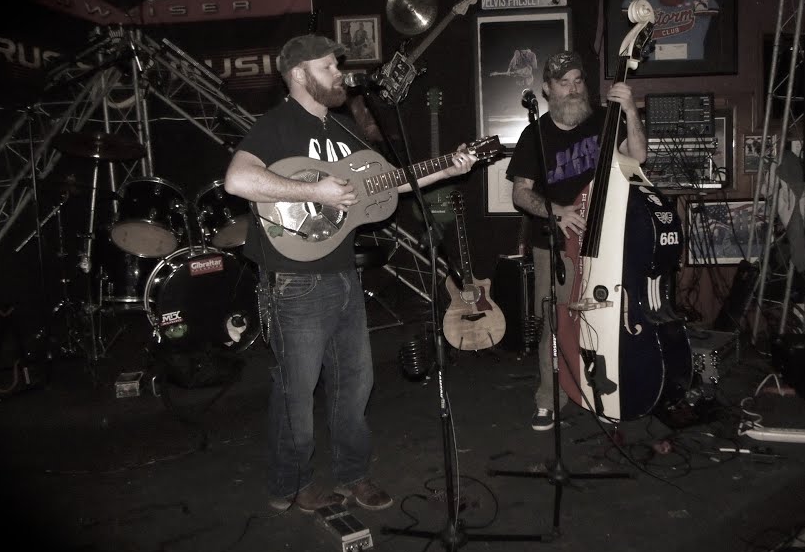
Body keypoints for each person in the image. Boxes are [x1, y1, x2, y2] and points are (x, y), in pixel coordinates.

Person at [224, 34, 478, 513]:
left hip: (342, 274)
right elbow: (238, 180)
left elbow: (387, 182)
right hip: (293, 281)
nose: (339, 74)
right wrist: (315, 193)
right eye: (327, 67)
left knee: (354, 384)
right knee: (295, 391)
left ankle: (353, 474)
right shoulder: (278, 125)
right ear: (299, 74)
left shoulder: (344, 131)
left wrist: (447, 169)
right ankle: (291, 483)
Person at [502, 50, 646, 431]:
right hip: (555, 241)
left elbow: (637, 156)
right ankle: (550, 398)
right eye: (563, 83)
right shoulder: (535, 134)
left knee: (605, 313)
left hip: (605, 236)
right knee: (555, 319)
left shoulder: (603, 120)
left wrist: (630, 109)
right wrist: (559, 211)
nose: (572, 89)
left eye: (578, 81)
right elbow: (520, 193)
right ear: (548, 90)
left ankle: (605, 389)